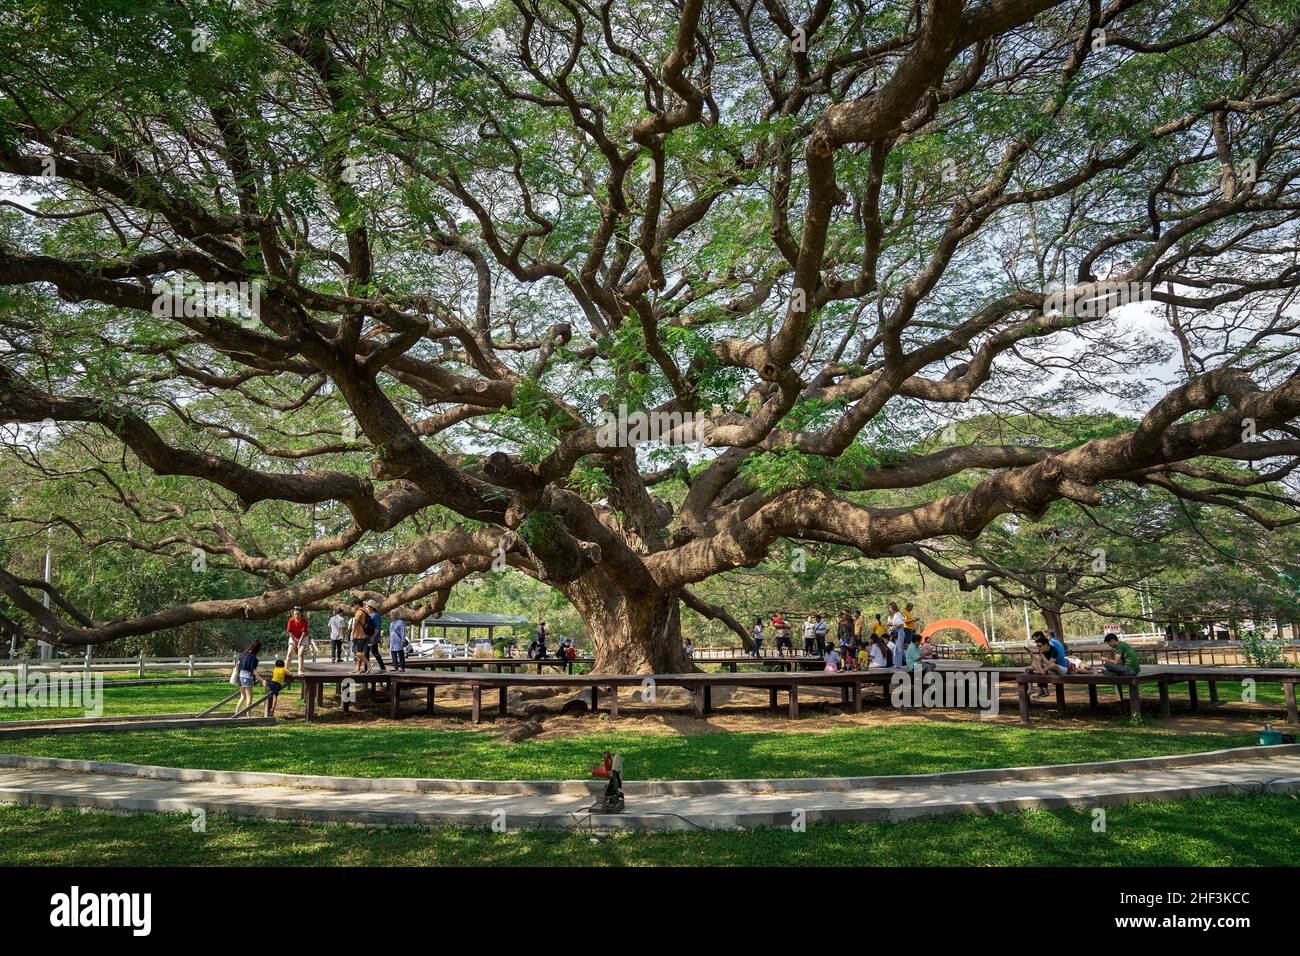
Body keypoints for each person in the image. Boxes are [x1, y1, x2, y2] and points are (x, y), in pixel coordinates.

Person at [1028, 631, 1070, 697]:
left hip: (1059, 665)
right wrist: (1040, 667)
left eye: (1035, 639)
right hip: (1051, 667)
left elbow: (1050, 663)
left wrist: (1042, 658)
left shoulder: (1051, 646)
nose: (1035, 641)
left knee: (1048, 666)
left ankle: (1043, 690)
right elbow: (1039, 661)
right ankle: (1036, 690)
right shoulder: (1043, 647)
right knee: (1033, 665)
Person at [235, 640, 262, 715]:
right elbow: (254, 671)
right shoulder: (254, 658)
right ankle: (248, 715)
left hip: (240, 676)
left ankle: (236, 713)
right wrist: (262, 680)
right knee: (249, 697)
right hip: (247, 677)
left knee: (243, 696)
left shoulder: (245, 654)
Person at [363, 601, 387, 672]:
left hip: (373, 637)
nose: (366, 608)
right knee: (370, 652)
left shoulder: (375, 615)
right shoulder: (369, 614)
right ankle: (380, 668)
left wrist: (373, 636)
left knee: (370, 652)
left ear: (371, 607)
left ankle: (367, 669)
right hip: (369, 636)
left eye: (367, 606)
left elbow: (377, 627)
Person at [349, 599, 370, 674]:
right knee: (359, 653)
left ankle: (368, 664)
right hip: (365, 635)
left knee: (356, 652)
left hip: (359, 635)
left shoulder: (358, 612)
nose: (354, 607)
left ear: (357, 604)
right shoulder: (365, 611)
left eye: (354, 605)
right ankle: (357, 669)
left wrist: (352, 633)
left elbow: (356, 623)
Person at [286, 606, 308, 673]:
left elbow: (304, 632)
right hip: (293, 636)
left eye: (298, 614)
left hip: (303, 637)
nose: (296, 616)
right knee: (289, 653)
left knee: (300, 653)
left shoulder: (304, 621)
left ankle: (300, 670)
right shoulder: (291, 621)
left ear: (301, 614)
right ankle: (286, 670)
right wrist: (295, 641)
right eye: (295, 614)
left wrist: (299, 643)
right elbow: (290, 632)